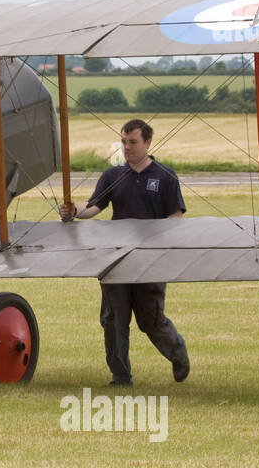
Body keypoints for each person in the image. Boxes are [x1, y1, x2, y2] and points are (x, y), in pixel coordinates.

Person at [59, 119, 191, 386]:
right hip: (116, 260)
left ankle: (177, 353)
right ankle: (121, 377)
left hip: (149, 261)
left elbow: (176, 217)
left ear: (148, 143)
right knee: (113, 320)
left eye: (132, 142)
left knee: (150, 319)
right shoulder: (112, 175)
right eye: (123, 142)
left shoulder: (165, 176)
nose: (127, 147)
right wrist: (73, 212)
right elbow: (94, 207)